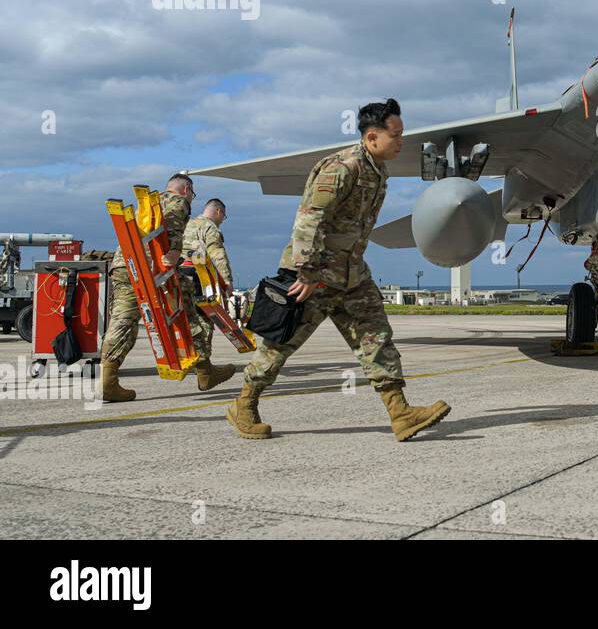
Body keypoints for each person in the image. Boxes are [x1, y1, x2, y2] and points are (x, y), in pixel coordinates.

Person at [228, 98, 451, 441]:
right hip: (315, 276)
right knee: (281, 344)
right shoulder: (342, 167)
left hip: (352, 275)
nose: (401, 141)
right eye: (397, 135)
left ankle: (400, 413)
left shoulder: (377, 169)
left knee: (376, 338)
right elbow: (310, 218)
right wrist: (305, 272)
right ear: (373, 136)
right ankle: (244, 405)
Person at [100, 174, 237, 402]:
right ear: (186, 190)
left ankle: (108, 379)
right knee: (190, 310)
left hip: (125, 265)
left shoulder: (147, 205)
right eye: (192, 195)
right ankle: (205, 370)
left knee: (123, 320)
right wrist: (173, 251)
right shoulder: (176, 200)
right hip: (151, 269)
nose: (191, 200)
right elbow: (174, 222)